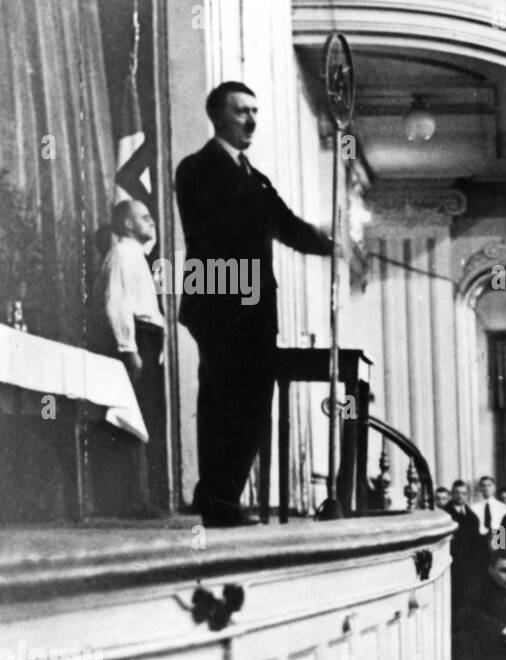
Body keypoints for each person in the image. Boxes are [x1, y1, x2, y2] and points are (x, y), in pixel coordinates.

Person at [175, 82, 334, 526]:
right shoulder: (196, 169)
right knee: (223, 401)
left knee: (253, 406)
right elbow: (218, 228)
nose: (251, 120)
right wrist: (262, 208)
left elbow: (286, 226)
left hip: (256, 310)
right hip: (221, 302)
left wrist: (331, 242)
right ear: (217, 116)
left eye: (255, 112)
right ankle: (217, 498)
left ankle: (224, 494)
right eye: (241, 111)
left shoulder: (255, 178)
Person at [89, 199, 167, 515]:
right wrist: (129, 348)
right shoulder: (122, 254)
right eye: (144, 217)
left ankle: (140, 499)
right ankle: (131, 501)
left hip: (145, 340)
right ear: (127, 225)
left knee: (146, 418)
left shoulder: (137, 256)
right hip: (133, 343)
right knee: (132, 419)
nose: (152, 221)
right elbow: (115, 302)